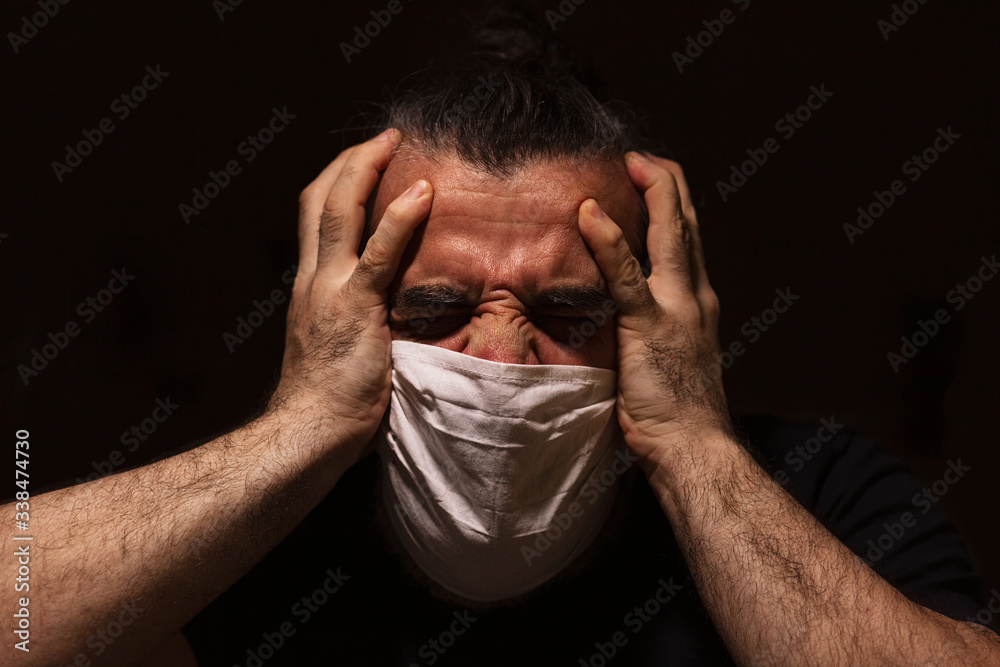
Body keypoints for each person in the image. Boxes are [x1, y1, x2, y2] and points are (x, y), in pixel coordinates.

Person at [5, 16, 998, 667]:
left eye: (570, 315)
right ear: (342, 306)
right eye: (436, 307)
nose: (499, 355)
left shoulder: (818, 487)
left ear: (660, 316)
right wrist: (303, 424)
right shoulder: (257, 530)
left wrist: (695, 445)